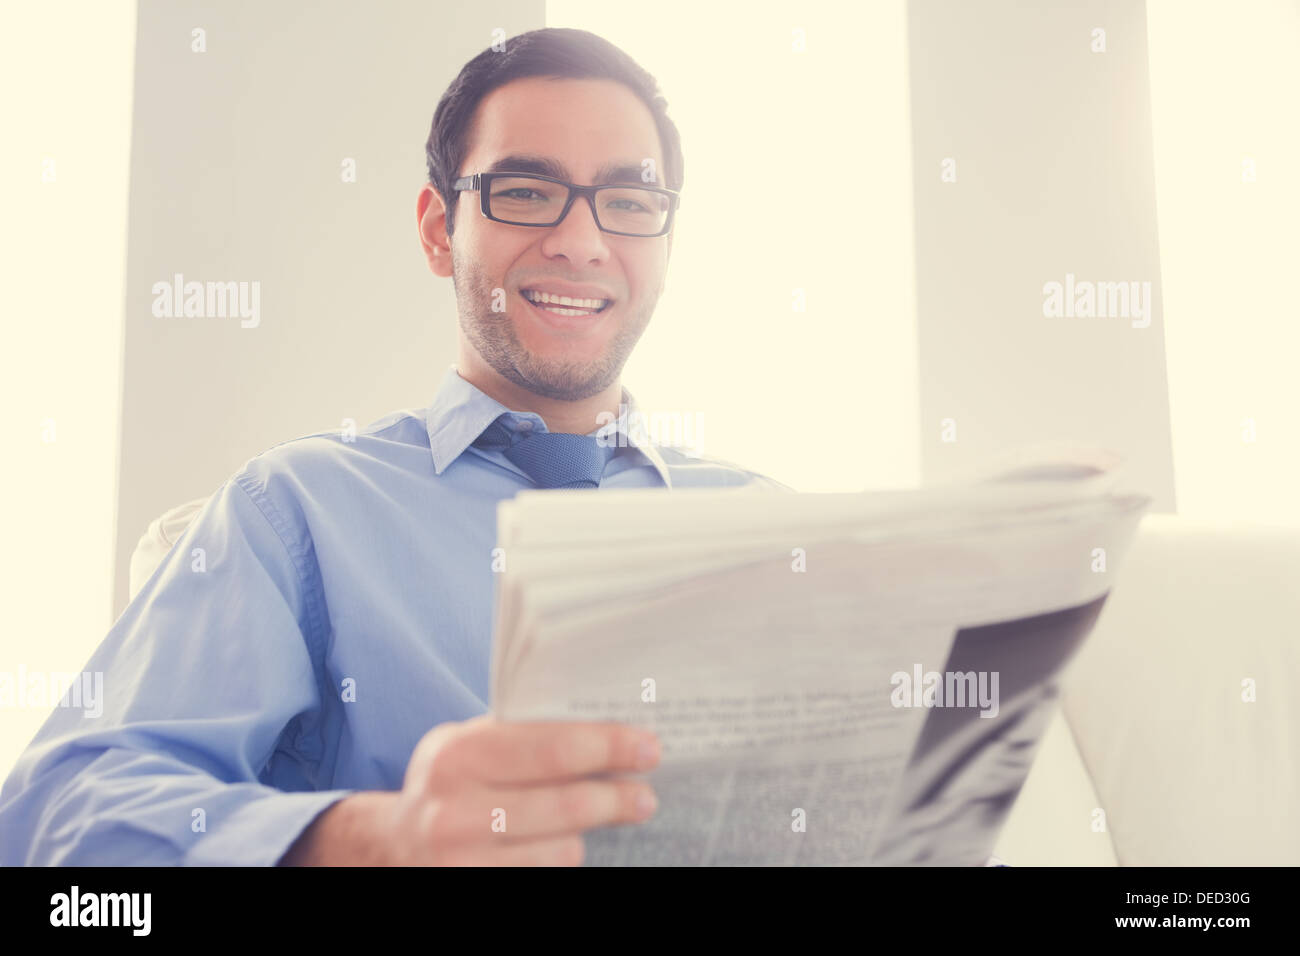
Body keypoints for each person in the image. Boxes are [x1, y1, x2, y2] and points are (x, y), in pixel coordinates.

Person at [0, 27, 788, 867]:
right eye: (526, 192)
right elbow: (52, 816)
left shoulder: (771, 527)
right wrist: (380, 840)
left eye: (628, 202)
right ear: (439, 230)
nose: (582, 241)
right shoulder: (297, 510)